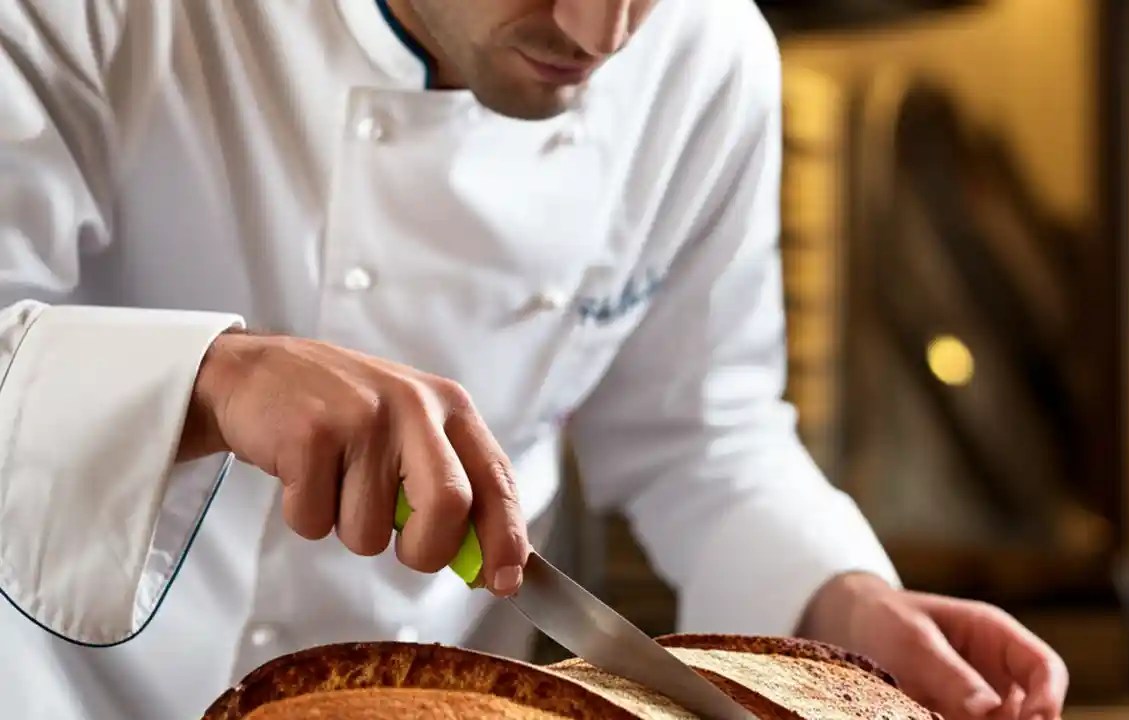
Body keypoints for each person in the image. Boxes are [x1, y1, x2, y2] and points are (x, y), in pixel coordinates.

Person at [0, 1, 1068, 718]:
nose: (600, 32)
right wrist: (211, 380)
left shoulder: (705, 52)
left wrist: (845, 605)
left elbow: (704, 437)